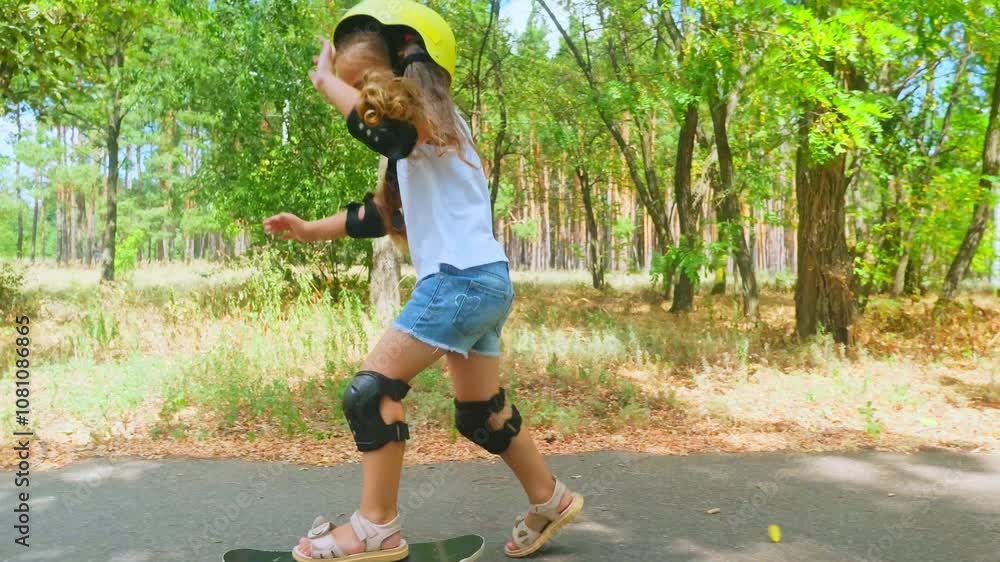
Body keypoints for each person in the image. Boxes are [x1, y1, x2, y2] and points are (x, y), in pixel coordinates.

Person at [262, 2, 583, 560]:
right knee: (480, 413)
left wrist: (323, 85)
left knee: (372, 392)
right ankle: (550, 498)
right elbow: (378, 216)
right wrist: (310, 229)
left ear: (407, 66)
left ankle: (375, 527)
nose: (356, 97)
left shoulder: (427, 124)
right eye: (348, 87)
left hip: (458, 282)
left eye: (363, 82)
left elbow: (386, 133)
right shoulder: (425, 142)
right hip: (482, 281)